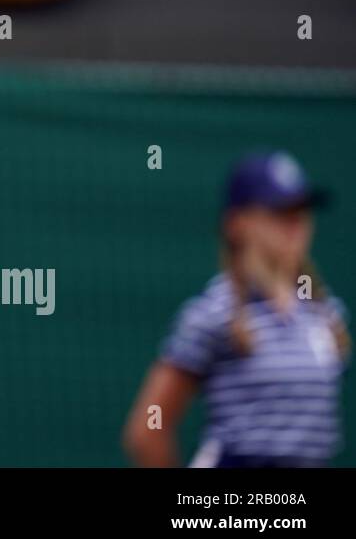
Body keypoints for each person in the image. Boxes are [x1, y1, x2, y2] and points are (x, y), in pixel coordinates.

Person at [122, 150, 351, 467]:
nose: (295, 225)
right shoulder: (213, 313)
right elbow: (149, 425)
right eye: (280, 213)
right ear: (237, 223)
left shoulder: (327, 313)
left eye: (302, 212)